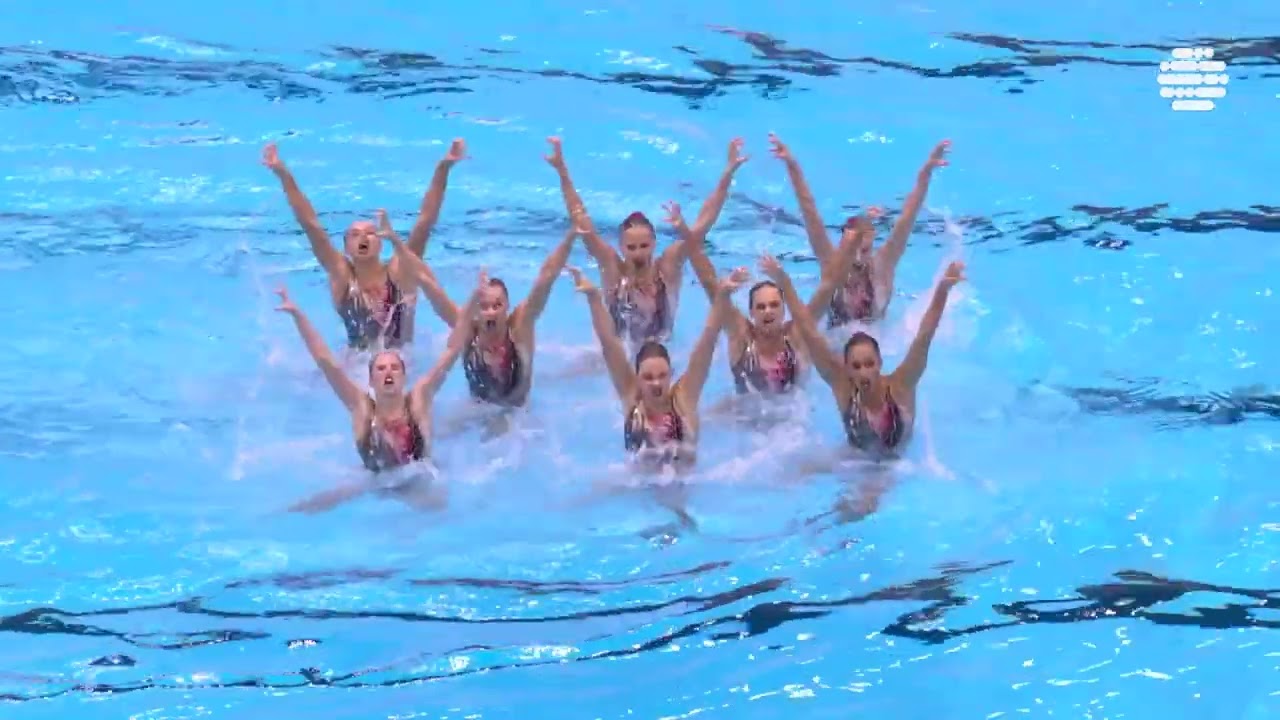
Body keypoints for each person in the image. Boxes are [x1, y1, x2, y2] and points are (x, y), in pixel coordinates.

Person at [765, 254, 966, 517]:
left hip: (892, 465)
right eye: (856, 366)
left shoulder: (902, 386)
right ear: (847, 368)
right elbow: (808, 330)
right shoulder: (843, 389)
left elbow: (924, 335)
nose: (864, 372)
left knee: (860, 508)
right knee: (784, 475)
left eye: (869, 364)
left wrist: (942, 290)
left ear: (880, 363)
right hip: (853, 455)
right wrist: (784, 282)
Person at [273, 273, 481, 513]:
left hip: (419, 482)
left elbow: (453, 349)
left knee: (438, 514)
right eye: (381, 369)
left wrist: (474, 299)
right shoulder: (362, 408)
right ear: (371, 379)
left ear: (404, 376)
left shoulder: (418, 400)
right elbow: (326, 361)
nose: (388, 372)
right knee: (306, 508)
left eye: (394, 367)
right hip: (373, 482)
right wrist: (298, 316)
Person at [261, 139, 467, 350]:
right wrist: (283, 174)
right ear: (346, 247)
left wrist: (443, 168)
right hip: (357, 367)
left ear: (381, 241)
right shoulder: (343, 277)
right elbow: (311, 226)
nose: (363, 238)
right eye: (355, 234)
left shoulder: (399, 271)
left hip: (402, 365)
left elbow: (424, 223)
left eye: (371, 233)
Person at [544, 137, 748, 347]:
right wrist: (562, 172)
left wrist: (728, 173)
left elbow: (703, 225)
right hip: (619, 354)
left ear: (654, 243)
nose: (638, 253)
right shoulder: (613, 268)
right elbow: (582, 223)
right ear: (621, 247)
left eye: (644, 246)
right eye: (631, 247)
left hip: (662, 354)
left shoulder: (668, 267)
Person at [668, 200, 879, 400]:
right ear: (751, 313)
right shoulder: (741, 337)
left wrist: (859, 233)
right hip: (746, 420)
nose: (768, 311)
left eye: (774, 305)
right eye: (761, 307)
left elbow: (831, 284)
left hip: (791, 424)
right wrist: (685, 232)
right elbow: (709, 283)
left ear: (784, 309)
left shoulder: (796, 335)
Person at [383, 210, 580, 409]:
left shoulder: (520, 327)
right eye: (484, 307)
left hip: (520, 418)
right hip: (478, 412)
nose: (491, 312)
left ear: (507, 307)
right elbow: (427, 281)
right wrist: (395, 241)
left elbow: (546, 277)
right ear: (476, 310)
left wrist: (571, 236)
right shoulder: (468, 330)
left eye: (497, 306)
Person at [768, 133, 951, 327]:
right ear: (842, 245)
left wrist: (926, 172)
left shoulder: (884, 263)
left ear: (872, 244)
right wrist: (792, 166)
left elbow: (908, 217)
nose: (856, 258)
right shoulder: (831, 264)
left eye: (863, 250)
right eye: (851, 250)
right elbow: (809, 212)